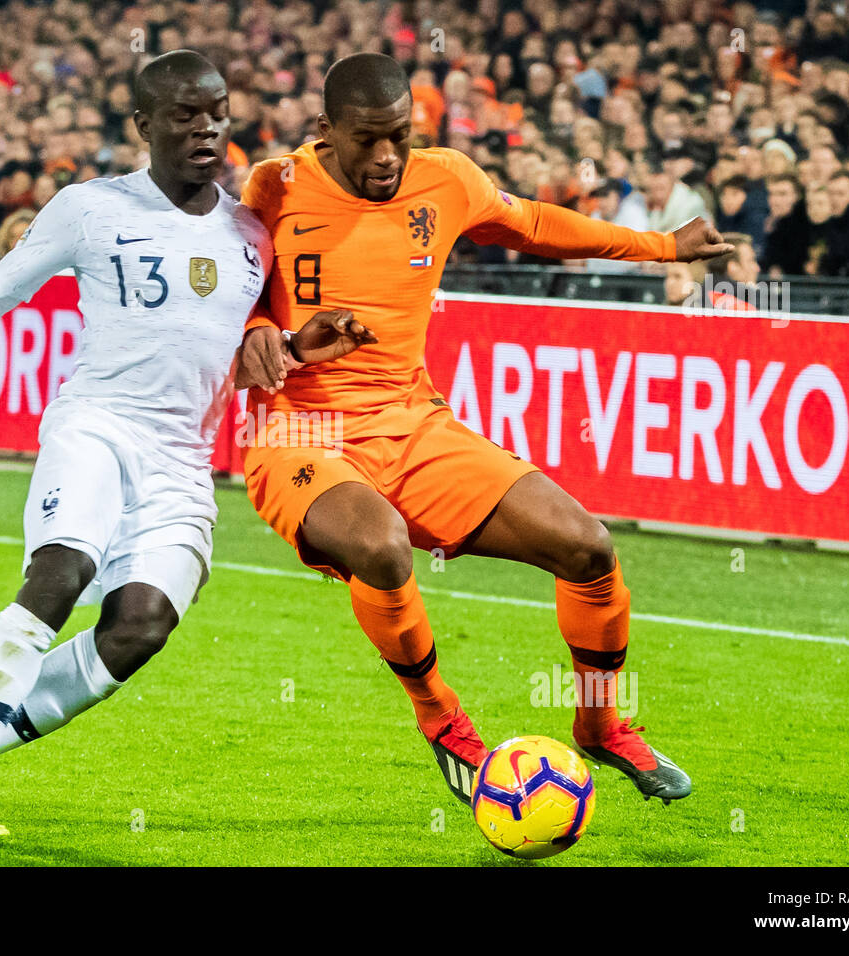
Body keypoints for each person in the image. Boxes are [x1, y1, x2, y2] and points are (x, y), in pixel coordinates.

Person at [0, 51, 370, 849]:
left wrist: (301, 343)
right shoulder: (90, 208)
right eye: (185, 115)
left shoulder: (250, 236)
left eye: (218, 112)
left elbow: (234, 355)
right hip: (96, 424)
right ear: (144, 126)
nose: (207, 129)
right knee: (62, 571)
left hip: (182, 463)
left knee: (140, 627)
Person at [237, 53, 729, 807]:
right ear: (324, 131)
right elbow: (231, 303)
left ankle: (600, 726)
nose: (387, 157)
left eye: (399, 136)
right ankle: (444, 723)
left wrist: (661, 245)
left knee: (587, 547)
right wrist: (261, 331)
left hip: (413, 421)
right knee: (381, 547)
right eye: (367, 139)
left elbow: (534, 224)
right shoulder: (273, 188)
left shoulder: (447, 178)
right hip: (301, 429)